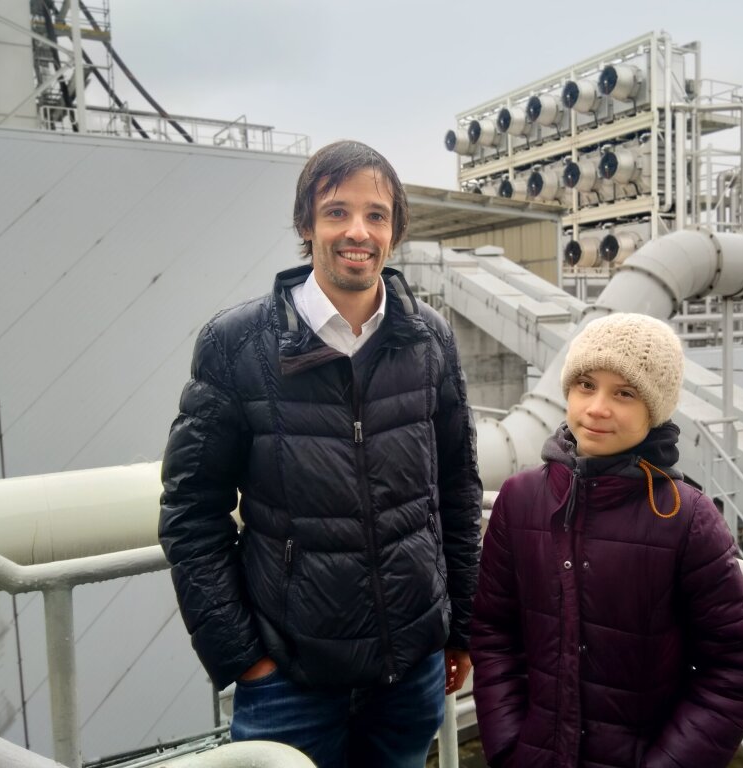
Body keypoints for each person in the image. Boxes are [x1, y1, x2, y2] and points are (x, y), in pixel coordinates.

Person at [159, 140, 482, 767]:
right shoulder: (237, 346)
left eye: (376, 215)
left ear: (394, 231)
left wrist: (459, 628)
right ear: (307, 226)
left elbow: (458, 493)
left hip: (410, 671)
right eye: (337, 212)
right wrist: (245, 660)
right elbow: (191, 513)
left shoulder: (429, 340)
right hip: (290, 680)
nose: (357, 231)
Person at [470, 312, 743, 768]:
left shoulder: (685, 517)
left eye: (624, 393)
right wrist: (508, 745)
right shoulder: (520, 498)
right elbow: (494, 633)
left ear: (656, 408)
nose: (597, 408)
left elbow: (733, 668)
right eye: (586, 385)